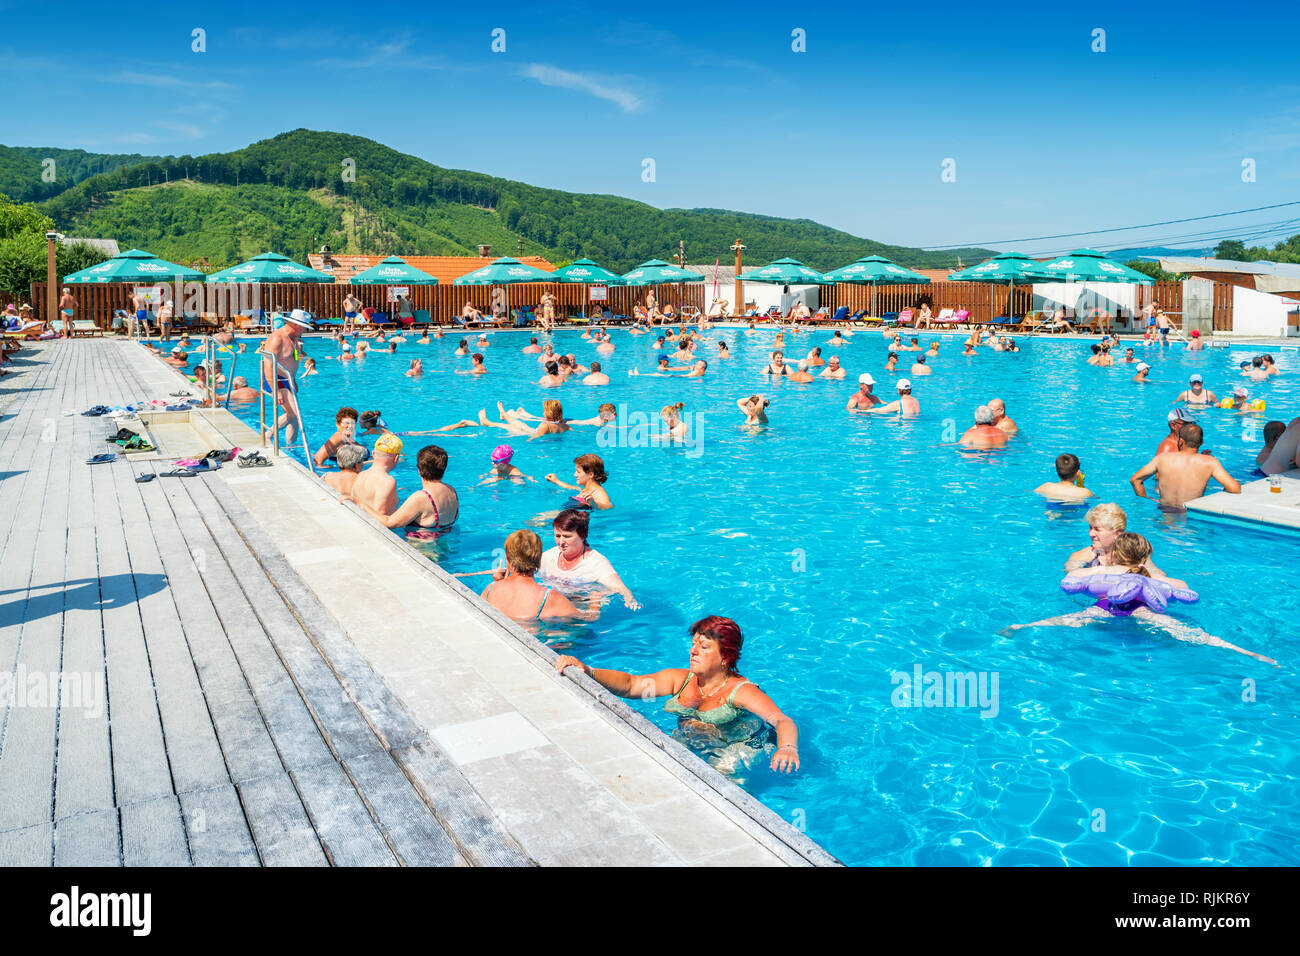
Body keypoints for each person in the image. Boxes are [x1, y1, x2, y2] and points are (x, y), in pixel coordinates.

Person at [553, 615, 800, 774]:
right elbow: (631, 685)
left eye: (703, 647)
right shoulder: (680, 679)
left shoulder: (742, 691)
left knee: (722, 775)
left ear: (725, 657)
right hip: (691, 740)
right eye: (693, 644)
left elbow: (781, 720)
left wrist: (787, 747)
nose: (693, 651)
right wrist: (588, 670)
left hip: (736, 747)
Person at [1006, 534, 1275, 664]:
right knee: (1185, 632)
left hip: (1107, 606)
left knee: (1069, 620)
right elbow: (1180, 588)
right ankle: (1242, 651)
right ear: (1146, 555)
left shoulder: (1104, 570)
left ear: (1117, 553)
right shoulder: (1149, 576)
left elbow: (1076, 577)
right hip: (1141, 609)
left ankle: (1022, 627)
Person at [482, 530, 593, 622]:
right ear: (539, 560)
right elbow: (587, 619)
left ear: (508, 559)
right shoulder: (549, 598)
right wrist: (595, 600)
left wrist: (499, 582)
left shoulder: (490, 589)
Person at [350, 444, 459, 537]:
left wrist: (361, 504)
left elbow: (389, 523)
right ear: (443, 468)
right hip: (444, 544)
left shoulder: (421, 497)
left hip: (424, 550)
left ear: (419, 469)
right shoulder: (451, 491)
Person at [539, 509, 640, 609]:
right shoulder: (548, 557)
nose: (561, 542)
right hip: (552, 605)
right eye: (557, 536)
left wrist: (629, 598)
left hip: (581, 607)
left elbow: (620, 588)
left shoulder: (595, 563)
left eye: (567, 536)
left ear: (582, 536)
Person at [1129, 422, 1241, 509]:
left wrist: (1146, 499)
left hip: (1164, 513)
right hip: (1189, 516)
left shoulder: (1162, 459)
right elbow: (1235, 488)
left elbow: (1135, 479)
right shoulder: (1209, 462)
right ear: (1201, 442)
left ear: (1181, 441)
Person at [1065, 502, 1165, 574]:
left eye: (1097, 529)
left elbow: (1159, 576)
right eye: (1090, 528)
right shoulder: (1082, 557)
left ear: (1117, 533)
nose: (1091, 534)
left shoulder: (1133, 554)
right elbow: (1070, 582)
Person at [261, 309, 311, 444]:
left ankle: (291, 446)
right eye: (304, 328)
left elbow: (292, 361)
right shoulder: (277, 338)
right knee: (295, 414)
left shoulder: (294, 338)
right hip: (277, 380)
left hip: (288, 380)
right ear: (296, 325)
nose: (305, 331)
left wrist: (293, 379)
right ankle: (267, 436)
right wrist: (276, 390)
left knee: (293, 417)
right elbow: (268, 366)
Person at [346, 433, 404, 516]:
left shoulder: (361, 475)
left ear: (373, 454)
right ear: (396, 458)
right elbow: (379, 517)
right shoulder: (387, 481)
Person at [545, 453, 612, 510]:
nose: (574, 474)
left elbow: (608, 506)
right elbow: (573, 487)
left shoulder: (598, 492)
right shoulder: (586, 489)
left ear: (590, 474)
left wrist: (593, 503)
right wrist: (556, 481)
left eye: (578, 472)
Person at [479, 398, 571, 439]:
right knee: (521, 424)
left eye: (544, 410)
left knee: (506, 426)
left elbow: (535, 437)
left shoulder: (545, 425)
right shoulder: (565, 426)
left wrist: (527, 441)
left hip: (527, 433)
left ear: (548, 412)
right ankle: (503, 414)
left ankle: (486, 421)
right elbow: (574, 431)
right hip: (531, 431)